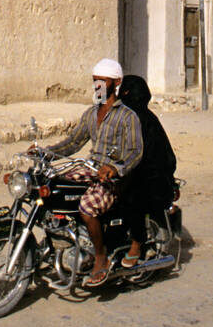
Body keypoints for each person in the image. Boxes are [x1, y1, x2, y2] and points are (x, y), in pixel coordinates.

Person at [42, 58, 143, 288]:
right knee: (54, 187)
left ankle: (100, 257)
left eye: (102, 80)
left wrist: (114, 168)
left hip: (115, 178)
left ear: (116, 82)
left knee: (87, 207)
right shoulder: (91, 113)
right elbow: (74, 142)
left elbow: (135, 152)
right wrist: (46, 153)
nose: (97, 84)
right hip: (90, 168)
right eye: (94, 80)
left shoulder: (128, 116)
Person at [117, 75, 177, 269]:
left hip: (153, 178)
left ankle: (136, 244)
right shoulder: (125, 116)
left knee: (131, 197)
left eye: (125, 90)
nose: (122, 94)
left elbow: (145, 155)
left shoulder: (140, 119)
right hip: (135, 171)